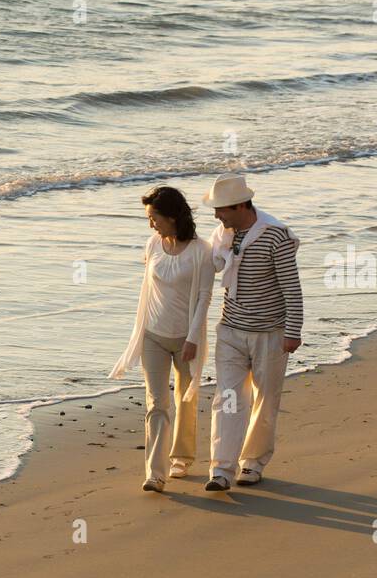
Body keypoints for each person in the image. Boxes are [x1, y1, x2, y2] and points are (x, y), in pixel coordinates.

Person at [200, 173, 303, 492]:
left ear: (242, 205)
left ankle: (253, 463)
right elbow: (212, 267)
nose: (217, 215)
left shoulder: (276, 235)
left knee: (265, 400)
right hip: (230, 330)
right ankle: (221, 469)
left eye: (222, 209)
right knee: (227, 398)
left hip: (270, 333)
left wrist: (294, 331)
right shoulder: (223, 234)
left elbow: (291, 287)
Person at [109, 185, 215, 493]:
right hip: (153, 335)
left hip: (186, 338)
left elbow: (205, 299)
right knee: (157, 402)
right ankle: (155, 473)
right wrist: (140, 332)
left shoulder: (202, 251)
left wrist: (194, 338)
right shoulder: (152, 244)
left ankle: (181, 457)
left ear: (172, 216)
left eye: (153, 217)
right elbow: (149, 289)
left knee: (186, 397)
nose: (150, 223)